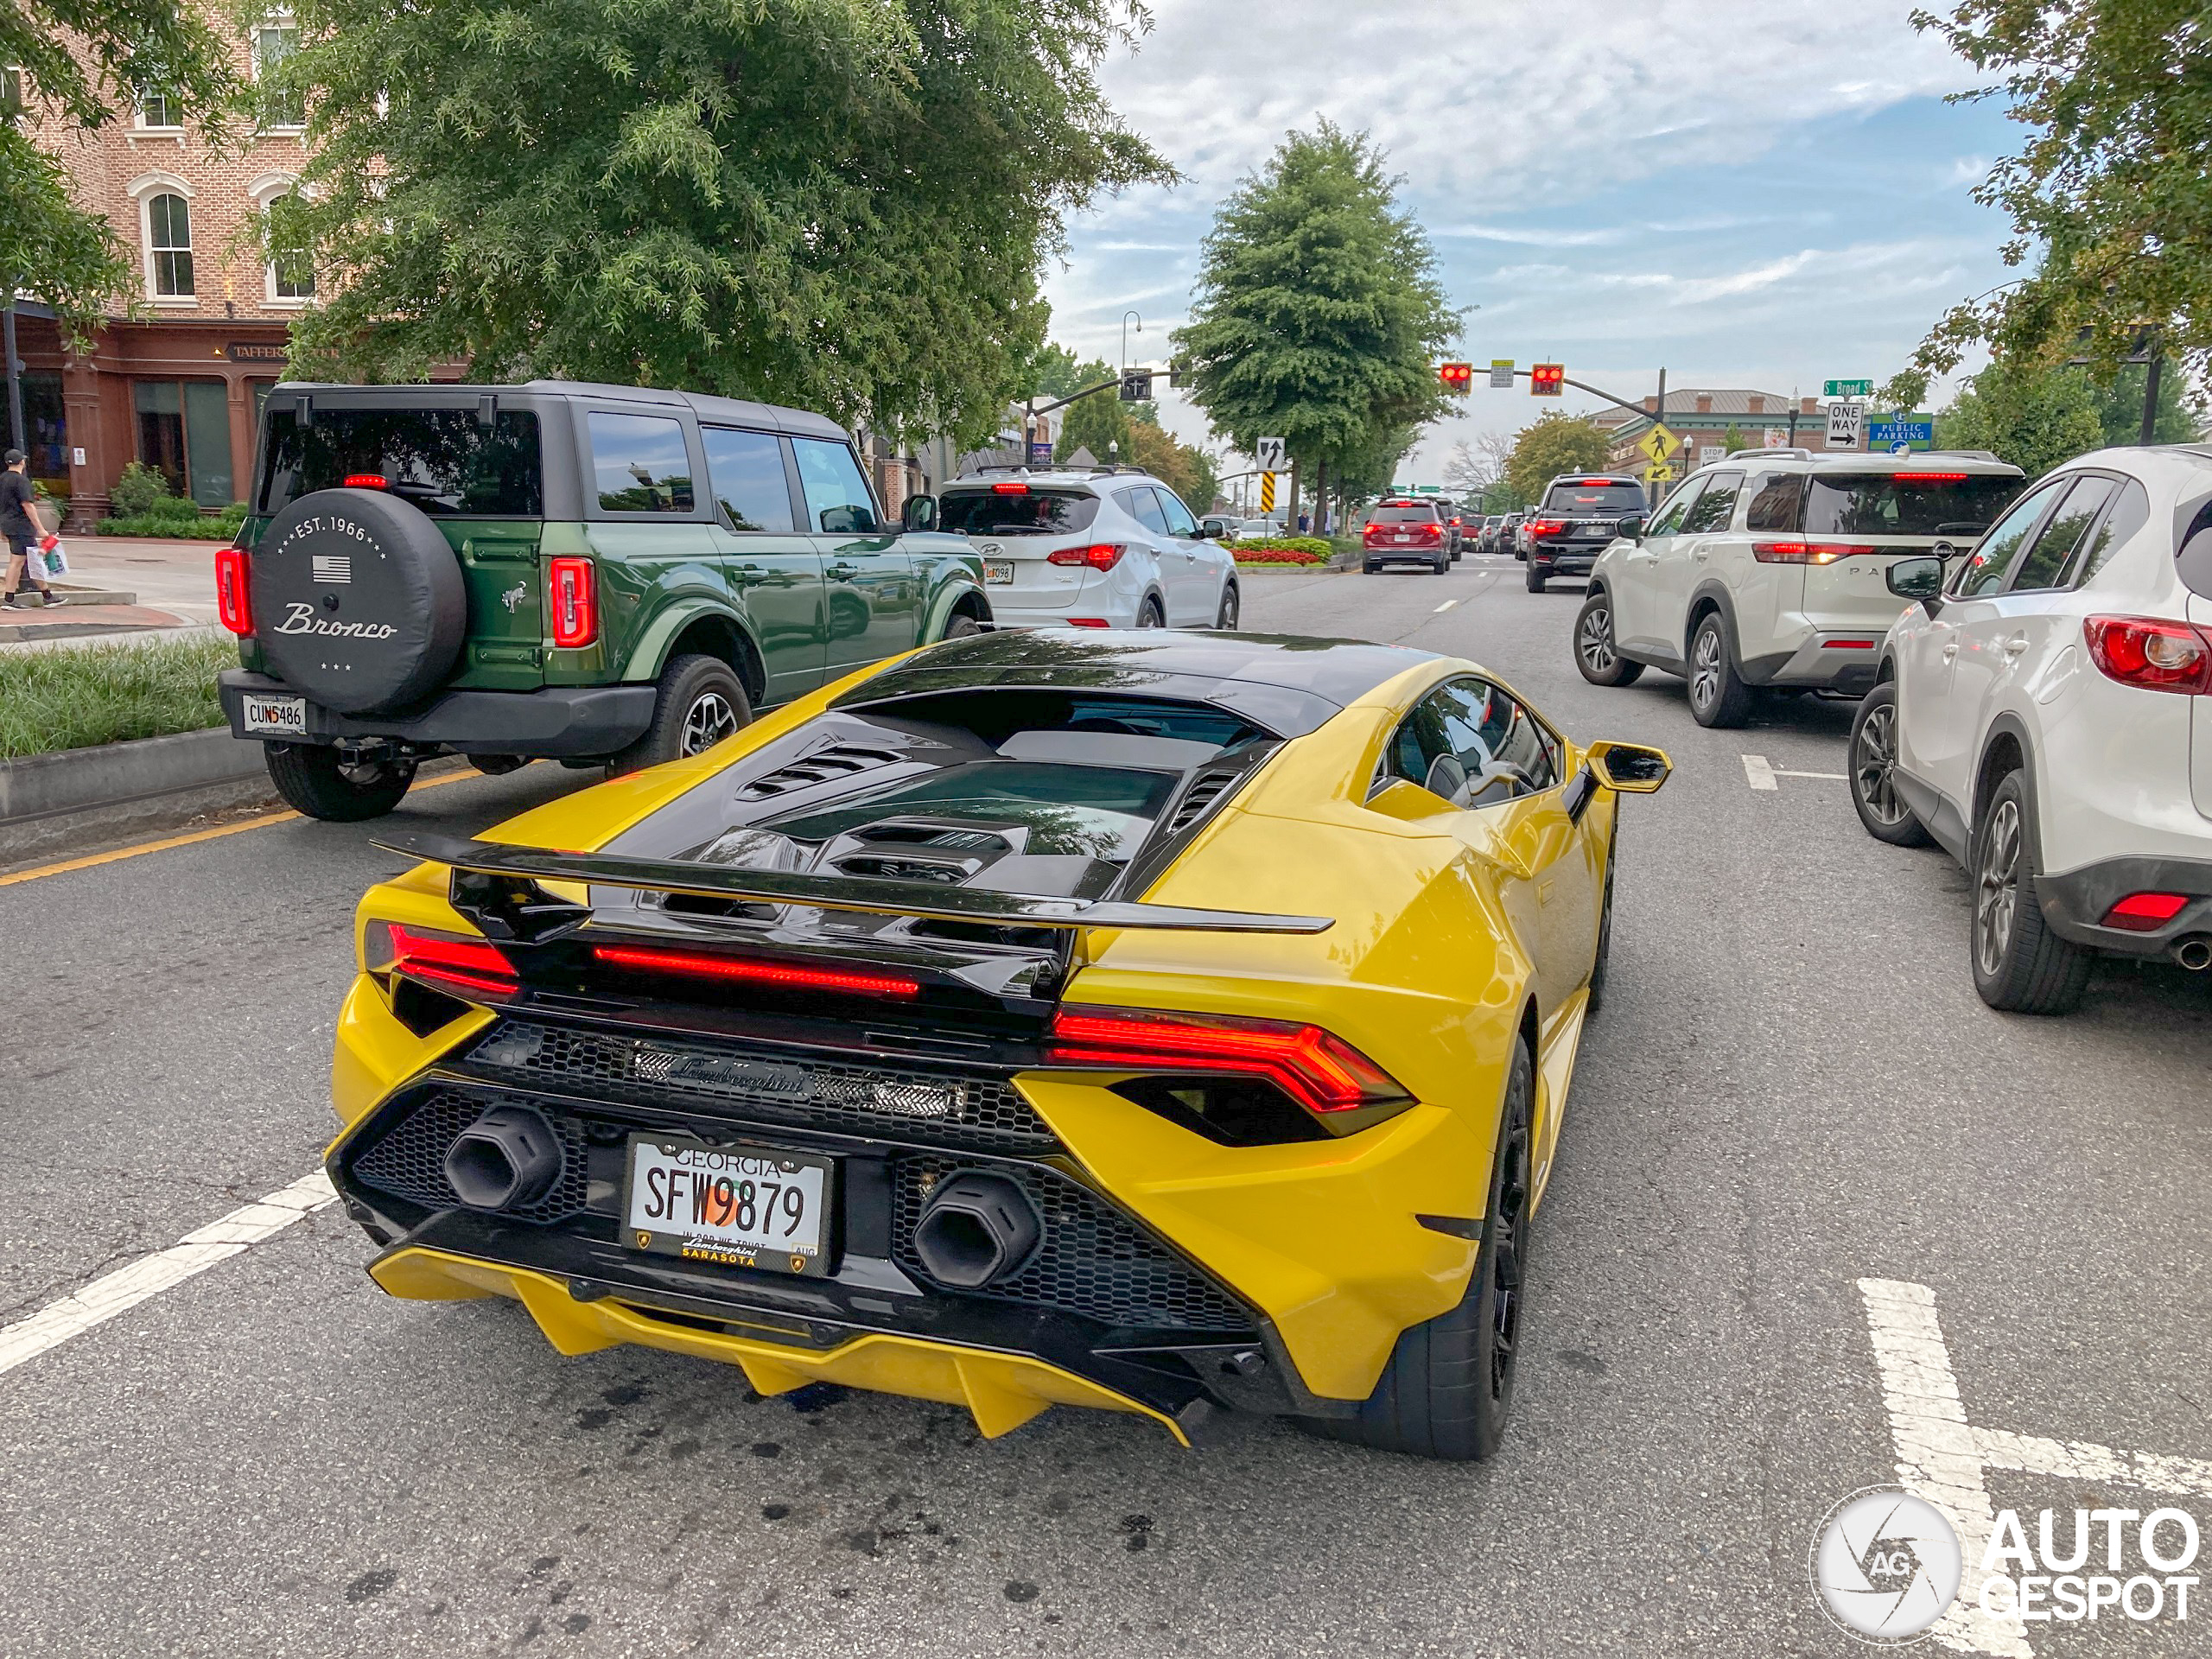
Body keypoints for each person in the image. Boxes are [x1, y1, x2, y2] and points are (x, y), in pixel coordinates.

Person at [1, 448, 60, 607]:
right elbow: (28, 505)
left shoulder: (2, 479)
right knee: (20, 561)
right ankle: (11, 599)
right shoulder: (21, 481)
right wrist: (41, 529)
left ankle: (46, 595)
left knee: (28, 561)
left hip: (8, 524)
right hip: (21, 526)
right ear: (22, 462)